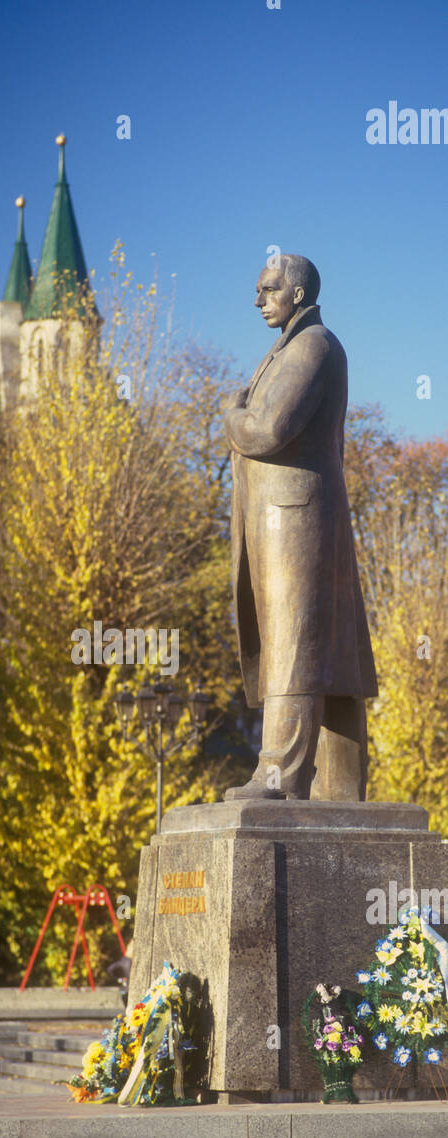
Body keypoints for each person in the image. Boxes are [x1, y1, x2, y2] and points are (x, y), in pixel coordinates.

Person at [224, 253, 378, 801]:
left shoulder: (312, 346)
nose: (258, 298)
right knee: (327, 649)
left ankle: (279, 774)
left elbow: (269, 428)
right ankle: (343, 788)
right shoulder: (293, 346)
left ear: (297, 292)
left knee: (296, 642)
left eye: (267, 289)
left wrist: (232, 412)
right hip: (291, 516)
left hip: (296, 518)